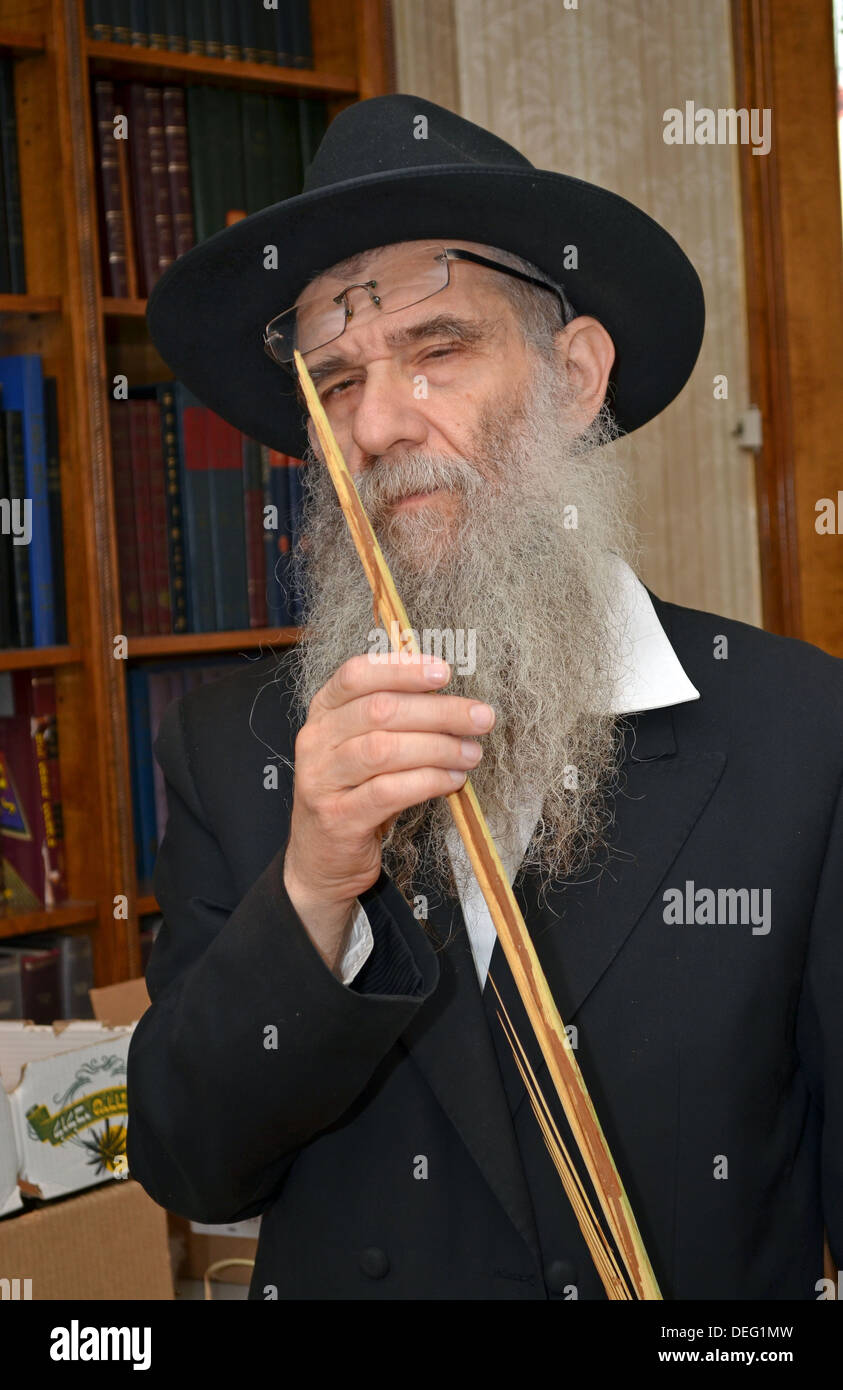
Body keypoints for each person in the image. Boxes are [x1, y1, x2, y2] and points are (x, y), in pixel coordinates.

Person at [127, 94, 843, 1300]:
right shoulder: (237, 749)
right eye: (336, 379)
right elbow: (191, 1167)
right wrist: (313, 885)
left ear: (574, 376)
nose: (377, 419)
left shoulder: (798, 732)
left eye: (438, 349)